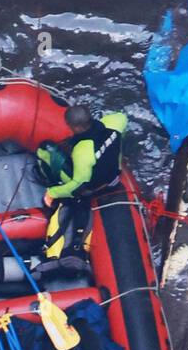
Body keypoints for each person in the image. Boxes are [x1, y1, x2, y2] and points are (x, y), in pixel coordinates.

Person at [35, 106, 129, 273]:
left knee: (45, 151)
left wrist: (52, 193)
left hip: (92, 187)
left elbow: (78, 185)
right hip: (114, 177)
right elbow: (123, 117)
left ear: (76, 127)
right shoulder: (116, 122)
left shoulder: (82, 151)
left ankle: (48, 174)